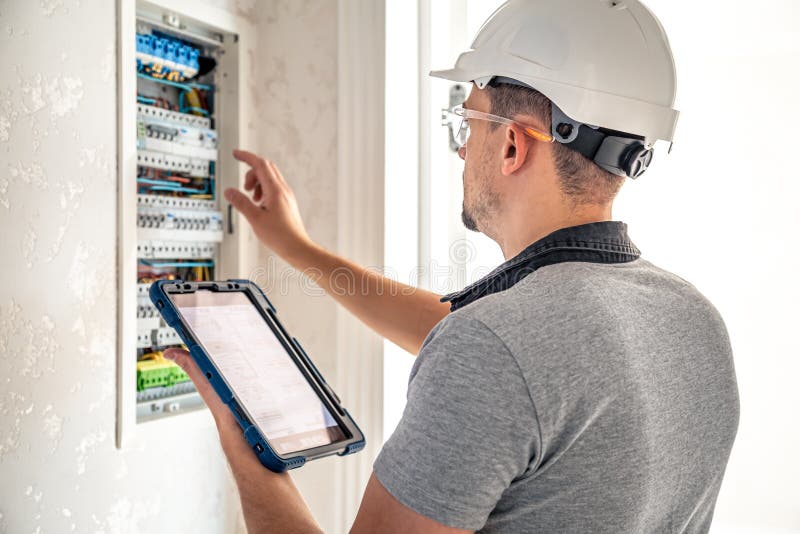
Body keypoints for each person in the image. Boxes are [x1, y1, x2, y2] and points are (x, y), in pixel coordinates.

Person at [165, 1, 740, 532]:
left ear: (513, 145)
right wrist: (298, 251)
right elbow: (490, 350)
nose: (463, 149)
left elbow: (494, 356)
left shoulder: (497, 346)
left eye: (469, 123)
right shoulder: (692, 319)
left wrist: (244, 445)